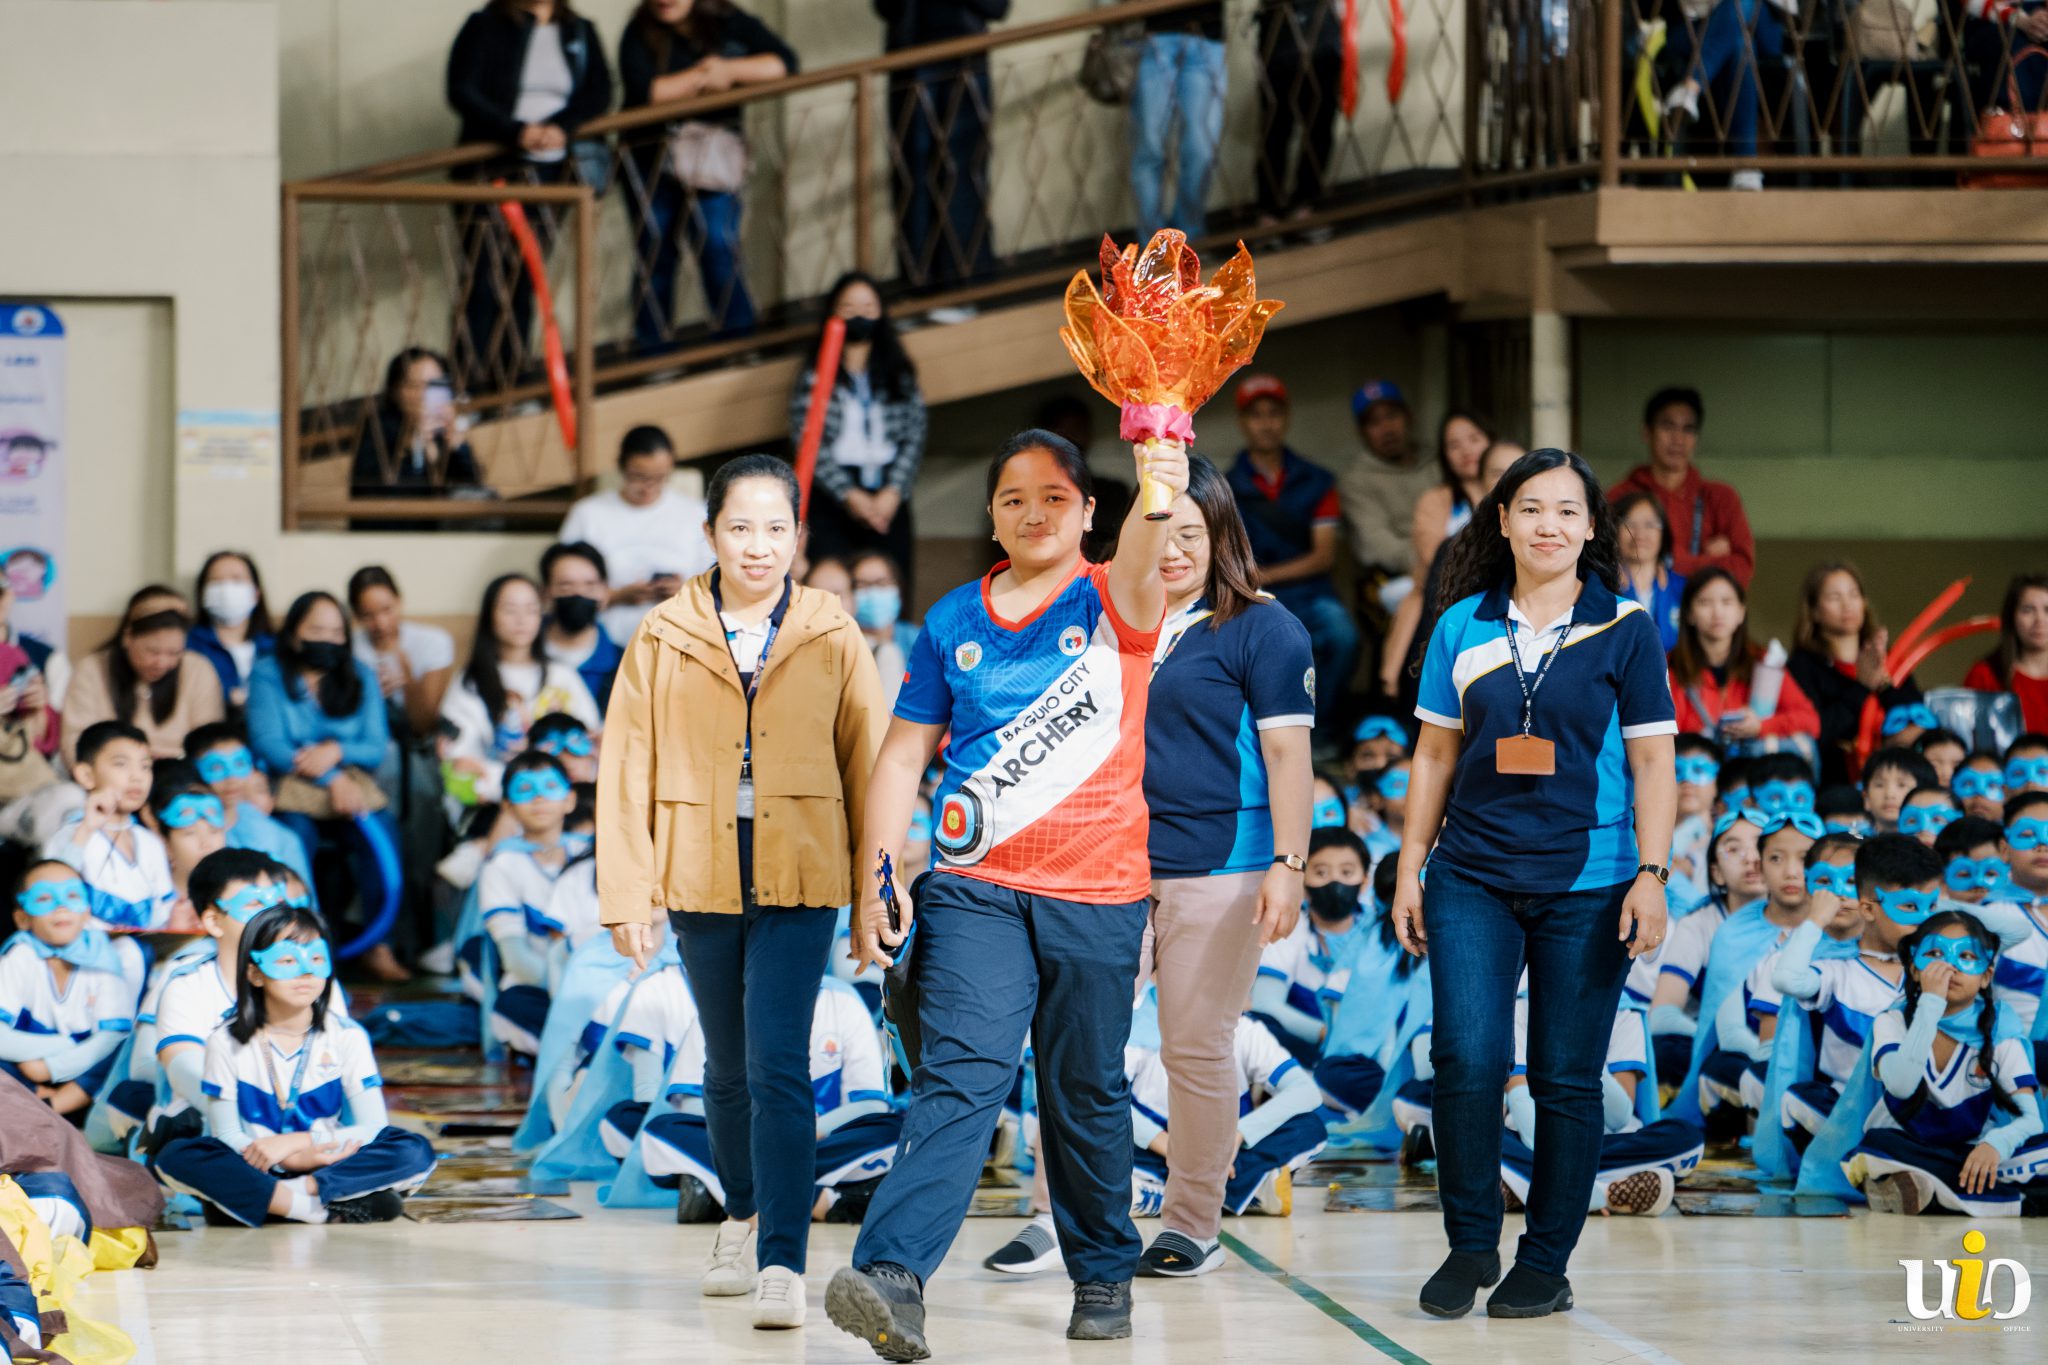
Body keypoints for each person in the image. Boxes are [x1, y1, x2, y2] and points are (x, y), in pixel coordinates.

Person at [826, 431, 1188, 1356]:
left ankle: (1103, 1271)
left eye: (1056, 497)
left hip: (1102, 892)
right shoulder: (951, 618)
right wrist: (877, 876)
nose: (1035, 512)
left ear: (1089, 512)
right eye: (1016, 497)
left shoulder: (1118, 596)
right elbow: (904, 752)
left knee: (1083, 1090)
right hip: (974, 888)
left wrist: (1161, 450)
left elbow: (1155, 532)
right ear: (991, 514)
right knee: (961, 1075)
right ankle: (892, 1275)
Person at [1389, 447, 1676, 1320]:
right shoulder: (1459, 626)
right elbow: (1435, 752)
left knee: (1565, 1076)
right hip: (1470, 871)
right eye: (1530, 508)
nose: (1548, 524)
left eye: (1566, 510)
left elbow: (1654, 758)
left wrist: (1653, 873)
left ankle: (1545, 1261)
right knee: (1466, 1059)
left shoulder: (1626, 626)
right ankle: (1473, 1243)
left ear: (1591, 527)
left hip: (1590, 879)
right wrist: (1410, 866)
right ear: (1503, 520)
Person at [600, 454, 885, 1330]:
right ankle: (742, 1210)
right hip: (700, 863)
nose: (758, 546)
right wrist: (628, 894)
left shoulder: (834, 631)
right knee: (724, 1068)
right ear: (710, 533)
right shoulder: (663, 631)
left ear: (797, 536)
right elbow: (625, 766)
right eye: (739, 527)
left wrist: (876, 893)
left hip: (803, 864)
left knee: (777, 1062)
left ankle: (781, 1260)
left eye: (774, 528)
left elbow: (872, 766)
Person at [1120, 452, 1313, 1276]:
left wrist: (1289, 862)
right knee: (1077, 1043)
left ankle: (1192, 1222)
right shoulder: (1107, 620)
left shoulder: (1264, 625)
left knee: (1197, 1048)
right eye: (1158, 530)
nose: (1172, 550)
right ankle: (1064, 1216)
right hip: (1111, 868)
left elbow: (1287, 755)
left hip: (1221, 867)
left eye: (1190, 531)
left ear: (1220, 533)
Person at [150, 904, 437, 1226]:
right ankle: (318, 1207)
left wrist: (299, 1147)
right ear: (255, 973)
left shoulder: (347, 1036)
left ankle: (284, 1198)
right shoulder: (225, 1042)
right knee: (178, 1156)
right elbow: (228, 1133)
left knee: (413, 1148)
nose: (305, 972)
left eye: (316, 959)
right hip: (259, 1160)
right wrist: (284, 1159)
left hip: (330, 1156)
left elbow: (372, 1127)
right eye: (287, 960)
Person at [445, 0, 614, 392]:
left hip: (552, 169)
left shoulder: (579, 29)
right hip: (492, 167)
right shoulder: (484, 24)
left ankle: (512, 382)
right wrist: (515, 131)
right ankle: (467, 385)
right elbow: (462, 89)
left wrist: (562, 127)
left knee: (526, 276)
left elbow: (599, 91)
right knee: (483, 277)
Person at [618, 0, 795, 348]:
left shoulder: (727, 18)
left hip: (714, 158)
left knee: (717, 244)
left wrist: (729, 70)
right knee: (655, 254)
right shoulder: (639, 30)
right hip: (649, 159)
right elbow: (648, 92)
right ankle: (653, 351)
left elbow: (782, 62)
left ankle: (738, 342)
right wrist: (705, 74)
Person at [1851, 907, 2048, 1216]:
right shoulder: (1892, 1022)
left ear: (1986, 976)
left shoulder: (2001, 1031)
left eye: (1967, 957)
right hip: (1905, 1147)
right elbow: (1901, 1086)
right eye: (1935, 953)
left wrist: (1995, 1145)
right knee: (1876, 1147)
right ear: (1914, 969)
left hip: (1971, 1150)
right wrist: (1930, 1003)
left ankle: (1935, 1192)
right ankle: (2006, 1200)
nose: (1950, 966)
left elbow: (2030, 1118)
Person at [1768, 833, 1934, 1154]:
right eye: (1910, 906)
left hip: (1917, 1104)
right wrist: (1815, 919)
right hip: (1845, 1105)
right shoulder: (1836, 969)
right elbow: (1787, 979)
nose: (1923, 917)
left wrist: (1948, 910)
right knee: (1799, 1100)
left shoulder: (1937, 968)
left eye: (1930, 906)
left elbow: (2010, 935)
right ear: (1869, 906)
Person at [1226, 375, 1357, 745]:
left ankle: (1324, 734)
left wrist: (1261, 575)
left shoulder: (1318, 480)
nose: (1265, 423)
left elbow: (1323, 556)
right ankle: (1262, 740)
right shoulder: (1226, 486)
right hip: (1254, 597)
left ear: (1286, 418)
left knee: (1343, 637)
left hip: (1311, 592)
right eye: (1256, 415)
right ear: (1242, 422)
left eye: (1274, 413)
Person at [790, 274, 927, 591]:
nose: (859, 315)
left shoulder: (899, 373)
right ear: (833, 314)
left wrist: (893, 492)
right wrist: (850, 496)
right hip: (834, 495)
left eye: (868, 306)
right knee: (831, 583)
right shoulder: (814, 374)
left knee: (891, 580)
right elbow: (808, 440)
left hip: (890, 491)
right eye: (848, 307)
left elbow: (914, 433)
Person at [877, 0, 1006, 296]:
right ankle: (920, 291)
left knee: (962, 176)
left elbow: (997, 7)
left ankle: (966, 288)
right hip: (909, 60)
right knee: (913, 179)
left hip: (964, 58)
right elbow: (885, 7)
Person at [441, 573, 600, 805]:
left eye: (531, 609)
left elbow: (589, 744)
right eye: (510, 610)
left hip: (564, 805)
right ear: (489, 616)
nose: (521, 619)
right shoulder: (469, 682)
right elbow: (460, 762)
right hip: (498, 806)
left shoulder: (562, 675)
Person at [0, 862, 137, 1118]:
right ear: (22, 918)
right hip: (26, 1067)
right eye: (44, 897)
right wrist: (62, 1045)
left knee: (122, 1046)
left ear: (86, 912)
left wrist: (49, 1068)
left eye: (72, 895)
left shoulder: (103, 957)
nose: (60, 906)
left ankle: (54, 1107)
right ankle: (35, 1104)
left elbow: (111, 1037)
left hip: (81, 1077)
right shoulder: (19, 956)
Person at [558, 425, 715, 646]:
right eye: (639, 477)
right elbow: (562, 584)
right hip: (603, 639)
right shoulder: (588, 514)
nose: (649, 487)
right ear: (621, 468)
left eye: (660, 478)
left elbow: (717, 582)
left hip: (681, 638)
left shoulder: (695, 513)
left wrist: (683, 592)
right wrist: (616, 596)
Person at [1376, 413, 1498, 697]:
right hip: (1445, 604)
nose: (1466, 450)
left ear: (1491, 442)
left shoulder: (1512, 495)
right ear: (1444, 456)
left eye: (1473, 439)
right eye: (1454, 445)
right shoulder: (1437, 499)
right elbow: (1437, 562)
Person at [470, 750, 579, 1055]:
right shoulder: (501, 865)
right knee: (514, 1007)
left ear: (570, 799)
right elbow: (516, 960)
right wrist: (577, 992)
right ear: (507, 806)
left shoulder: (592, 854)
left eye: (550, 787)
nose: (540, 799)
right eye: (526, 790)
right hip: (536, 987)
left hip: (594, 985)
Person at [1786, 561, 1926, 786]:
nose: (1847, 605)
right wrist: (1860, 688)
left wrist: (1882, 684)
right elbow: (1817, 732)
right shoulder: (1802, 667)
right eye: (1834, 597)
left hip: (1896, 782)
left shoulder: (1888, 660)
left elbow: (1918, 718)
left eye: (1853, 594)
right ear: (1814, 611)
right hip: (1833, 786)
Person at [1605, 387, 1754, 585]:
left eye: (1688, 429)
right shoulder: (1620, 496)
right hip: (1639, 610)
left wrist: (1666, 560)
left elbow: (1742, 570)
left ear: (1697, 439)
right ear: (1647, 432)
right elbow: (1602, 564)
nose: (1678, 439)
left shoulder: (1721, 497)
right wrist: (1708, 561)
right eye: (1668, 426)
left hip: (1701, 613)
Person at [60, 587, 224, 765]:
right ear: (127, 637)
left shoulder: (198, 670)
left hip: (178, 778)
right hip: (110, 780)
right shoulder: (91, 669)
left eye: (174, 653)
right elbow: (74, 745)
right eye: (152, 651)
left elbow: (209, 744)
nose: (162, 663)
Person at [44, 721, 176, 932]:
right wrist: (87, 829)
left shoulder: (150, 842)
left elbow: (164, 910)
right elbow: (52, 893)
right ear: (86, 775)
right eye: (121, 764)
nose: (137, 776)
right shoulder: (72, 835)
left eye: (145, 766)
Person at [1666, 568, 1821, 746]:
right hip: (1695, 769)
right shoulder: (1671, 667)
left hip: (1749, 769)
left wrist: (1762, 727)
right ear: (1689, 614)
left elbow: (1810, 720)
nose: (1718, 612)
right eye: (1704, 602)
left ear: (1741, 612)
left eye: (1727, 602)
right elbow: (1664, 735)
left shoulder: (1763, 662)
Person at [1131, 4, 1226, 238]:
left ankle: (1186, 240)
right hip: (1153, 36)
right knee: (1151, 148)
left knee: (1202, 149)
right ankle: (1153, 248)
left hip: (1207, 34)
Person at [349, 349, 485, 513]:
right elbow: (374, 496)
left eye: (436, 385)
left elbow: (474, 487)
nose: (426, 394)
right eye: (416, 385)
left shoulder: (442, 430)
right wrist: (416, 447)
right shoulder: (378, 427)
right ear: (396, 391)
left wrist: (458, 446)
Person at [184, 725, 314, 890]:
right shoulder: (181, 834)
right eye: (216, 767)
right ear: (193, 769)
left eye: (239, 763)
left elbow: (303, 902)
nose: (231, 778)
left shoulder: (279, 837)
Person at [1339, 379, 1437, 590]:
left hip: (1455, 563)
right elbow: (1378, 545)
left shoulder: (1437, 461)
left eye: (1392, 416)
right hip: (1397, 578)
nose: (1387, 428)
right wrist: (1440, 562)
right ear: (1362, 432)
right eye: (1374, 422)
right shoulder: (1356, 481)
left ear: (1409, 417)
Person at [1254, 0, 1344, 226]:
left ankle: (1305, 205)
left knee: (1319, 127)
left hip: (1322, 37)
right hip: (1279, 38)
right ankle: (1270, 210)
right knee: (1276, 130)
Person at [348, 566, 459, 739]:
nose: (381, 624)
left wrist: (408, 680)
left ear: (399, 601)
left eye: (387, 609)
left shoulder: (433, 642)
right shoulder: (349, 649)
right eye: (368, 615)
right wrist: (369, 693)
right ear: (356, 615)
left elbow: (424, 726)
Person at [186, 552, 275, 712]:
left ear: (256, 594)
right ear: (202, 593)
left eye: (237, 579)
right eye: (216, 581)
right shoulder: (189, 645)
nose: (227, 589)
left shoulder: (275, 647)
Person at [540, 541, 624, 712]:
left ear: (604, 591)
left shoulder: (624, 664)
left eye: (590, 586)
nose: (578, 594)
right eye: (566, 586)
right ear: (545, 592)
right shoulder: (520, 655)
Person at [1966, 573, 2048, 734]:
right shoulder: (1985, 675)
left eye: (2047, 610)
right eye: (2027, 610)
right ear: (2011, 617)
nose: (2039, 620)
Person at [148, 762, 230, 913]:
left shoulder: (236, 899)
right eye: (190, 833)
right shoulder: (151, 904)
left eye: (213, 831)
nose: (206, 844)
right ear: (165, 843)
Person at [1612, 491, 1685, 651]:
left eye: (1650, 525)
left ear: (1663, 533)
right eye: (1629, 524)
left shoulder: (1682, 588)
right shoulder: (1600, 585)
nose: (1640, 535)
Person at [0, 573, 69, 711]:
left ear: (11, 594)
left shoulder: (48, 658)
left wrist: (44, 708)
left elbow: (69, 722)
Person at [1862, 745, 1937, 833]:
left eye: (1902, 785)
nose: (1889, 794)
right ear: (1866, 798)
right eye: (1879, 785)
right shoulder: (1853, 842)